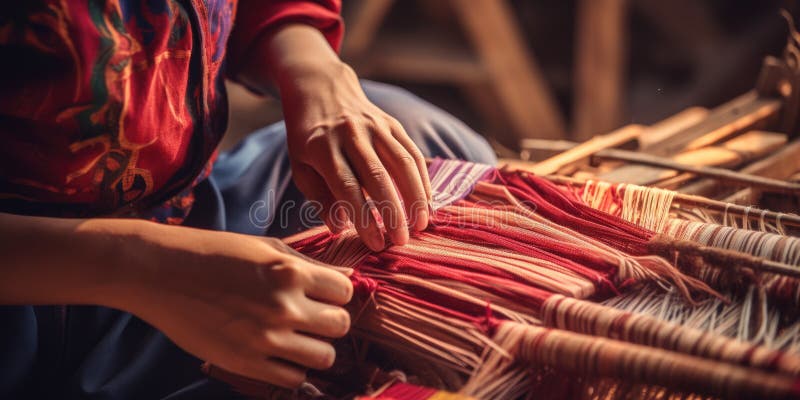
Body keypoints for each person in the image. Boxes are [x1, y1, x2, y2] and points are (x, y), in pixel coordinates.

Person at [0, 1, 496, 398]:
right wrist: (140, 268)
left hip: (189, 211)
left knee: (428, 147)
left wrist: (316, 71)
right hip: (32, 294)